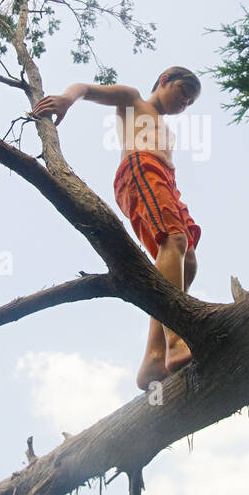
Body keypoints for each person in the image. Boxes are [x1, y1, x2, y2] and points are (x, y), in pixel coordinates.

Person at [32, 67, 202, 389]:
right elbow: (85, 87)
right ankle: (176, 340)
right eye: (183, 91)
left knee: (188, 260)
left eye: (190, 102)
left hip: (167, 181)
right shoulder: (133, 100)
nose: (185, 102)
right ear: (164, 79)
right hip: (141, 168)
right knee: (174, 241)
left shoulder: (168, 130)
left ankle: (155, 356)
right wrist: (67, 99)